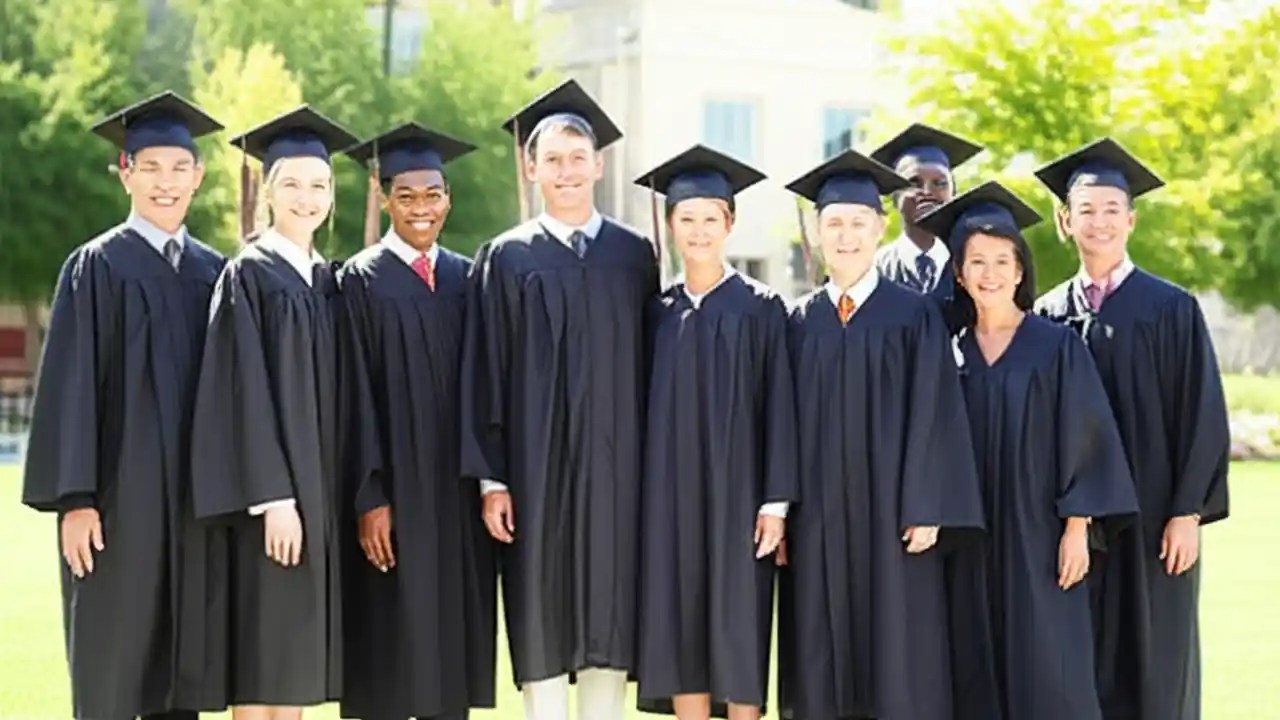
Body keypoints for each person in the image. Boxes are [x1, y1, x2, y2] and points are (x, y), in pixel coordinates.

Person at [21, 91, 229, 720]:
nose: (165, 183)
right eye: (150, 168)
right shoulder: (96, 267)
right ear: (125, 173)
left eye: (178, 169)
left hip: (194, 510)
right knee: (112, 666)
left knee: (180, 673)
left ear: (197, 176)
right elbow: (69, 386)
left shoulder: (214, 272)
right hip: (118, 505)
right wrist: (76, 500)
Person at [459, 78, 659, 720]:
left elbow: (656, 367)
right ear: (531, 167)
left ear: (600, 165)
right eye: (553, 160)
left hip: (615, 469)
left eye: (578, 159)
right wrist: (492, 480)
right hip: (534, 468)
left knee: (609, 604)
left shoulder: (634, 256)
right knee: (540, 605)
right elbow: (483, 371)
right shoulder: (506, 258)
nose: (566, 172)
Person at [918, 181, 1140, 720]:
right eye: (977, 262)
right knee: (974, 664)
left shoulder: (1056, 345)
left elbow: (1086, 437)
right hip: (967, 536)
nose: (990, 273)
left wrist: (1076, 528)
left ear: (1020, 271)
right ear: (960, 273)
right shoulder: (947, 353)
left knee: (1050, 666)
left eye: (1001, 261)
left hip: (1039, 532)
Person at [778, 150, 985, 720]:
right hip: (818, 520)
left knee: (899, 655)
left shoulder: (914, 316)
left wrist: (928, 505)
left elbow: (936, 410)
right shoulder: (798, 321)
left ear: (880, 227)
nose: (846, 236)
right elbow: (782, 424)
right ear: (817, 232)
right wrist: (786, 510)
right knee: (820, 647)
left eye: (858, 223)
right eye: (835, 224)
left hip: (895, 517)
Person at [1033, 138, 1231, 720]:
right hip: (1077, 529)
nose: (1100, 222)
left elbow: (1201, 414)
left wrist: (1188, 512)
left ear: (1132, 220)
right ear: (1064, 222)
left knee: (1158, 663)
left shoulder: (1170, 309)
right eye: (1086, 211)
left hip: (1153, 523)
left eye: (1111, 210)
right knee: (1084, 662)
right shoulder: (1048, 314)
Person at [189, 105, 364, 720]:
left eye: (319, 185)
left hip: (317, 498)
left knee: (290, 669)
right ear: (268, 191)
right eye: (291, 183)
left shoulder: (326, 281)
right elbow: (243, 393)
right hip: (275, 505)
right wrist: (275, 499)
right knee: (262, 663)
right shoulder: (250, 274)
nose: (307, 197)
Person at [631, 145, 797, 720]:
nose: (698, 231)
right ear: (670, 225)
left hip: (741, 499)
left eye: (710, 218)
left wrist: (776, 502)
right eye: (686, 219)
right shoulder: (656, 313)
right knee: (681, 624)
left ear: (730, 223)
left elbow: (782, 406)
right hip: (670, 500)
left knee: (740, 624)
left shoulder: (763, 309)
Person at [338, 122, 496, 720]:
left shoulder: (467, 279)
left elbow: (486, 388)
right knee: (388, 649)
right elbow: (353, 394)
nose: (421, 208)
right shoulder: (359, 281)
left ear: (448, 198)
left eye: (432, 195)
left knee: (448, 654)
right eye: (406, 196)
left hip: (455, 497)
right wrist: (369, 496)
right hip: (393, 494)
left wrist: (488, 482)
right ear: (383, 199)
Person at [870, 123, 982, 326]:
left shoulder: (973, 266)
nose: (927, 192)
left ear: (953, 193)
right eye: (914, 183)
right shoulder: (873, 270)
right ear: (895, 197)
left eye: (940, 183)